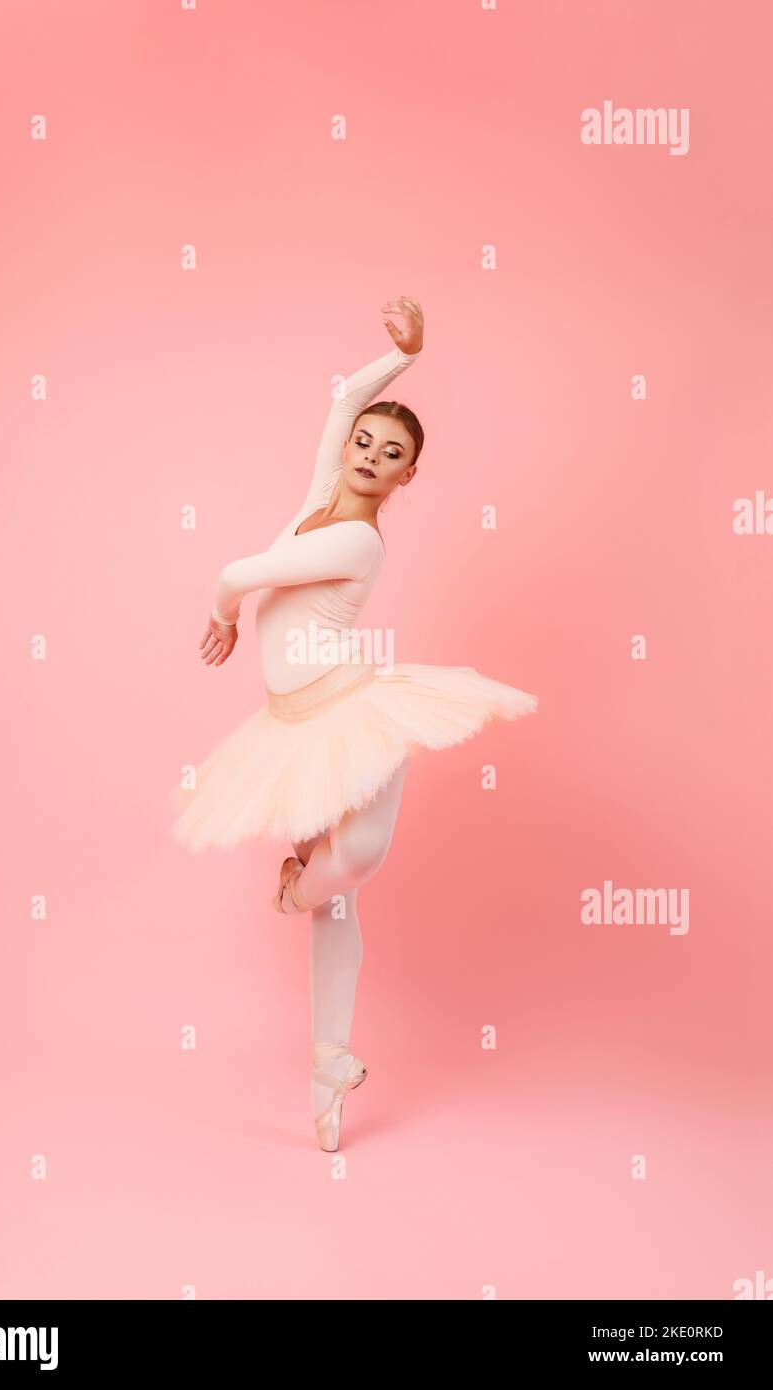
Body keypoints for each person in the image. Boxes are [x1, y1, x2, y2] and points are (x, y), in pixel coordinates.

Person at [171, 296, 537, 1150]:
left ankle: (299, 885)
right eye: (366, 444)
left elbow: (236, 572)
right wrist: (402, 357)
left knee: (355, 862)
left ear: (408, 478)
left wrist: (225, 611)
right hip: (291, 725)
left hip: (351, 711)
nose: (372, 456)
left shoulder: (360, 543)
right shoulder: (314, 501)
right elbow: (343, 403)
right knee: (343, 905)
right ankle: (330, 1060)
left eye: (393, 454)